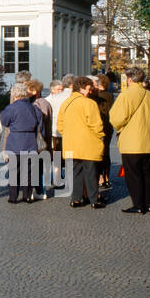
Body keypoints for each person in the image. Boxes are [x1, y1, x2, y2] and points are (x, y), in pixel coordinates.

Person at [109, 66, 150, 214]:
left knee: (133, 175)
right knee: (148, 174)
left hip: (131, 142)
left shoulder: (126, 95)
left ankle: (138, 205)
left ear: (129, 79)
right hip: (148, 142)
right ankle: (149, 204)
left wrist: (120, 128)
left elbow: (116, 119)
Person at [58, 75, 106, 208]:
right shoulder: (89, 103)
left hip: (71, 143)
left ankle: (76, 199)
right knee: (91, 173)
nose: (90, 92)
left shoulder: (66, 103)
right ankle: (94, 200)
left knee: (75, 173)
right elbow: (96, 125)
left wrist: (68, 134)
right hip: (88, 143)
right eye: (89, 89)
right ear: (82, 88)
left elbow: (60, 124)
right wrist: (101, 136)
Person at [0, 83, 41, 203]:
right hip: (30, 141)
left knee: (14, 171)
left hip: (15, 141)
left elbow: (4, 120)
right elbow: (40, 123)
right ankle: (27, 195)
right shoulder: (34, 108)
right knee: (28, 171)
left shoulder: (11, 108)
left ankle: (13, 196)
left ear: (14, 94)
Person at [28, 79, 54, 197]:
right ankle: (40, 190)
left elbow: (39, 124)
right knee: (39, 166)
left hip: (37, 139)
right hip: (45, 139)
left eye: (29, 90)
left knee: (34, 166)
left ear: (35, 91)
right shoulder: (46, 103)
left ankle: (37, 191)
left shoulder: (37, 104)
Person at [92, 74, 115, 191]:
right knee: (106, 152)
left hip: (100, 127)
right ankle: (106, 177)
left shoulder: (97, 97)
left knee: (99, 153)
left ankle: (100, 178)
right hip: (108, 127)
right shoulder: (110, 95)